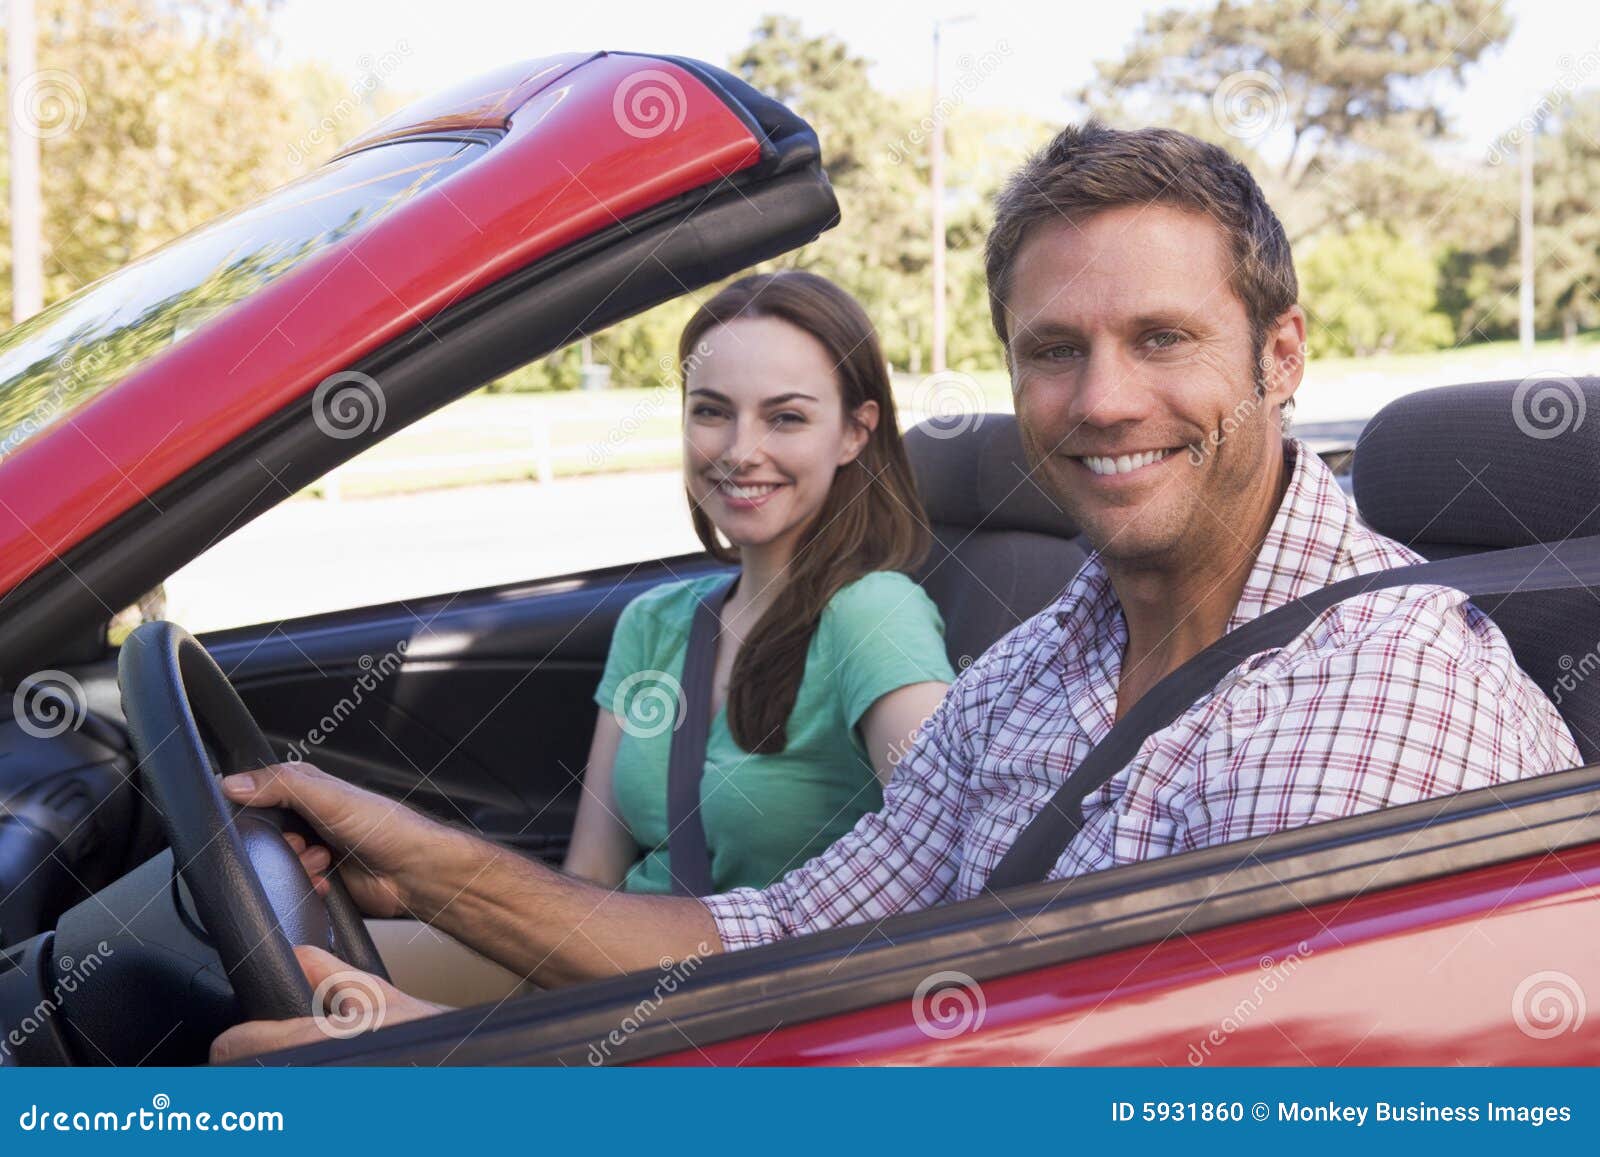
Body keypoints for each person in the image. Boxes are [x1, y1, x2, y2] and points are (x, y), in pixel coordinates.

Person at [210, 123, 1581, 1061]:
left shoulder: (1384, 704)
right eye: (1054, 350)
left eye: (1162, 338)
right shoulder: (1039, 665)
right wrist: (427, 865)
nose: (1103, 399)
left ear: (1280, 356)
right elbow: (772, 940)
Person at [562, 270, 953, 896]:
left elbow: (950, 855)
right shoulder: (652, 622)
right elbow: (587, 883)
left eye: (786, 417)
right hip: (608, 970)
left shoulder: (875, 615)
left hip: (756, 989)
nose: (741, 451)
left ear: (855, 431)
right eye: (713, 411)